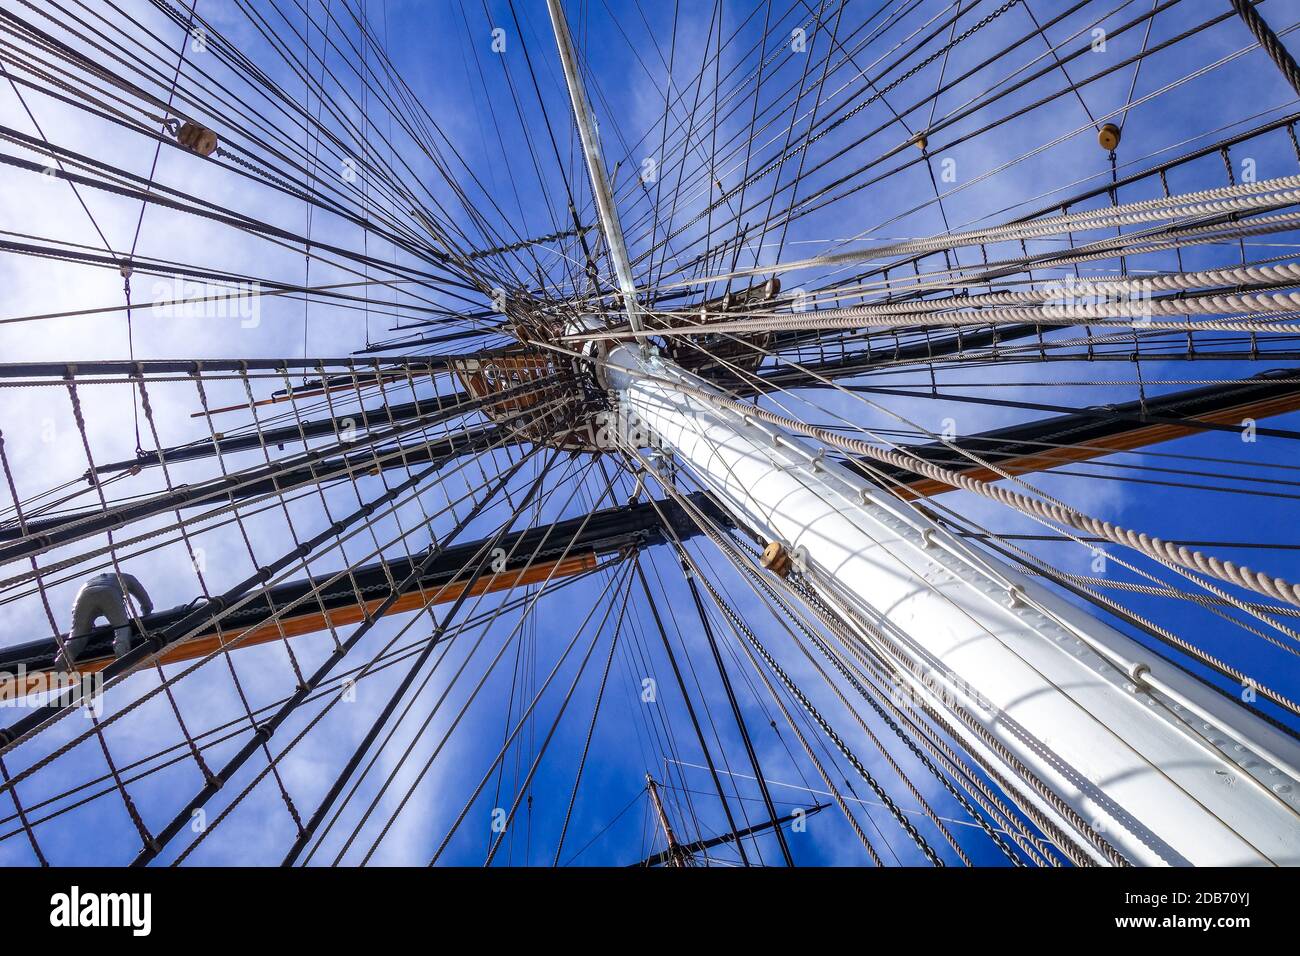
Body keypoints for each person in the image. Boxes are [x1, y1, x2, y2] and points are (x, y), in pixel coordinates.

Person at [61, 571, 153, 671]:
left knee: (77, 634)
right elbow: (139, 590)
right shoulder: (123, 576)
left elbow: (76, 610)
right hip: (108, 591)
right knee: (121, 628)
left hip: (84, 595)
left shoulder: (89, 582)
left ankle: (66, 654)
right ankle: (122, 653)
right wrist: (146, 610)